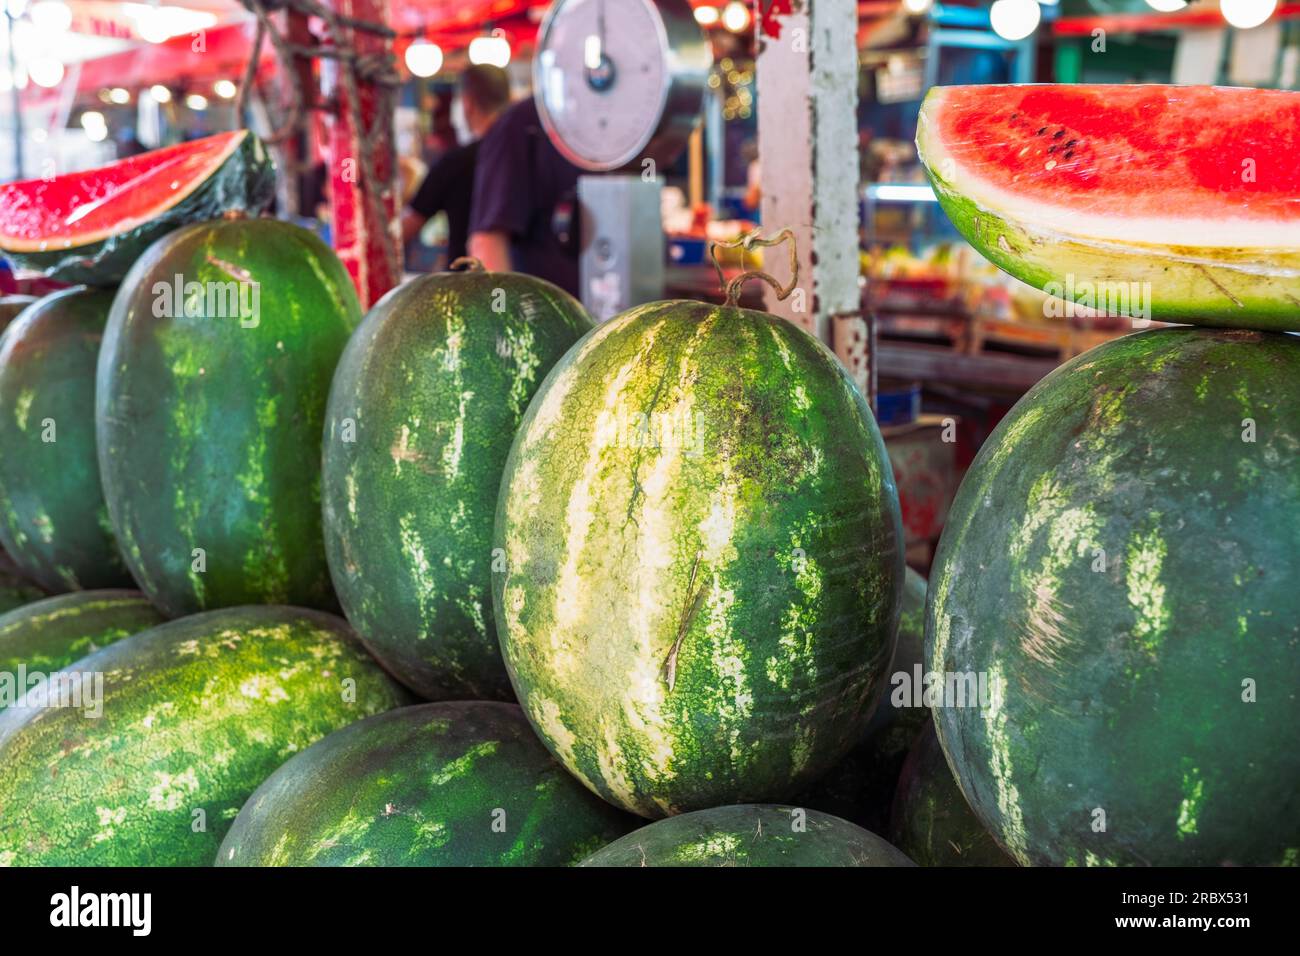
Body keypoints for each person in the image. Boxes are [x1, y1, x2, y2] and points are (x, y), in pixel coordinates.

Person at [468, 96, 582, 297]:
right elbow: (488, 241)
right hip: (546, 319)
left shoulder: (648, 125)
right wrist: (502, 319)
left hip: (633, 316)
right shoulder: (523, 122)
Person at [401, 64, 511, 263]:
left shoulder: (455, 163)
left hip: (466, 287)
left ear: (467, 103)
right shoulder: (530, 154)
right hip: (528, 287)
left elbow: (406, 228)